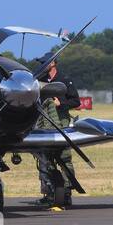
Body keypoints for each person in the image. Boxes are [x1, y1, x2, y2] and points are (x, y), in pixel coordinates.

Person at [34, 60, 82, 208]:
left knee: (64, 157)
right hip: (43, 123)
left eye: (45, 62)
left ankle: (67, 192)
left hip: (62, 122)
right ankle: (48, 193)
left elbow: (76, 101)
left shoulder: (65, 79)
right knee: (44, 159)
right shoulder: (38, 81)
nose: (43, 64)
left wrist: (61, 104)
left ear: (53, 63)